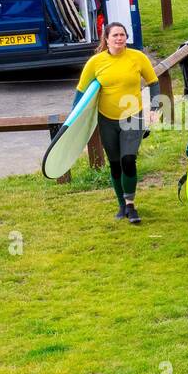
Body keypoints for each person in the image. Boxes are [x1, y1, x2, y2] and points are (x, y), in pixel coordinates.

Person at [74, 22, 159, 225]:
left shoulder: (137, 57)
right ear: (107, 38)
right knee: (115, 163)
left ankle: (130, 204)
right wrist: (74, 118)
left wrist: (155, 109)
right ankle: (121, 204)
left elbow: (154, 82)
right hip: (107, 119)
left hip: (133, 116)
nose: (119, 38)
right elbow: (81, 91)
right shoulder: (96, 62)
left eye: (122, 35)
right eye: (115, 35)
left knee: (128, 159)